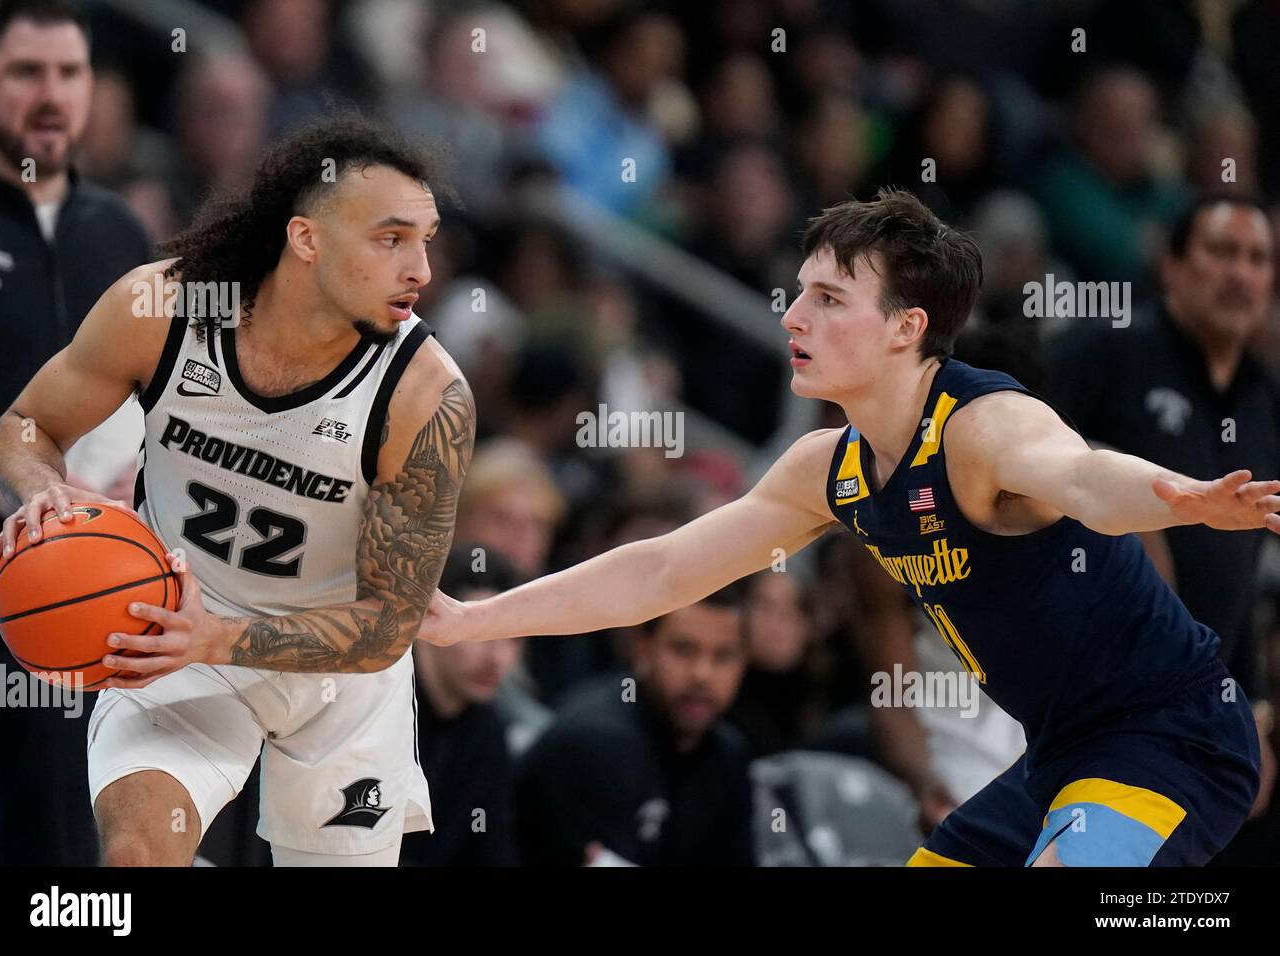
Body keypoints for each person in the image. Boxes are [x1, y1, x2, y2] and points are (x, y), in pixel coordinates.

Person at [422, 188, 1278, 867]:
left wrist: (1181, 494)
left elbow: (1085, 478)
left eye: (829, 298)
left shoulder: (984, 428)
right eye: (800, 293)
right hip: (1064, 751)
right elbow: (663, 573)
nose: (793, 316)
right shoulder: (828, 469)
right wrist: (477, 618)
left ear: (908, 328)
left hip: (1177, 733)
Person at [0, 115, 475, 867]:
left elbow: (386, 627)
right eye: (391, 239)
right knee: (135, 861)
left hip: (337, 681)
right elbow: (24, 425)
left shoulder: (424, 393)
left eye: (427, 239)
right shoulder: (165, 311)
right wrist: (42, 486)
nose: (421, 270)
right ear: (306, 240)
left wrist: (216, 636)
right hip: (173, 635)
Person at [0, 0, 154, 867]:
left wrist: (137, 486)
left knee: (54, 848)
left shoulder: (120, 234)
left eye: (70, 74)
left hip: (70, 590)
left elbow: (156, 405)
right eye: (26, 73)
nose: (50, 95)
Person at [1047, 195, 1280, 823]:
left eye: (1259, 259)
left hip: (1193, 695)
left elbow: (1242, 573)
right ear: (1173, 266)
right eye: (1222, 252)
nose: (1241, 273)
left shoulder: (1268, 398)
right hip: (1080, 674)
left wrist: (1250, 706)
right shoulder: (1105, 350)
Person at [512, 584, 753, 866]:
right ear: (643, 649)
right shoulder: (594, 742)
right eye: (684, 650)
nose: (702, 674)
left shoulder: (729, 754)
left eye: (723, 656)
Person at [400, 546, 523, 867]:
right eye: (481, 634)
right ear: (431, 619)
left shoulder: (486, 728)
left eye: (513, 638)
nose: (497, 658)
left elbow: (492, 851)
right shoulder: (376, 709)